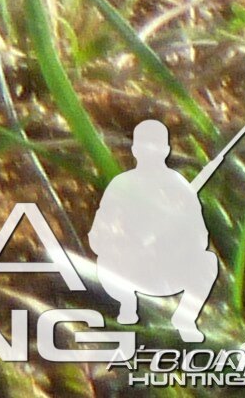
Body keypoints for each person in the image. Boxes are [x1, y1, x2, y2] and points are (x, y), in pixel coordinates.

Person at [88, 120, 220, 331]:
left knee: (208, 261)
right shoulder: (121, 185)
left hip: (167, 266)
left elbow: (201, 239)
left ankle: (184, 318)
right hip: (126, 267)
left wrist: (173, 230)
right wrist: (127, 244)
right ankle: (128, 313)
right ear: (135, 150)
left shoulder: (179, 188)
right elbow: (97, 234)